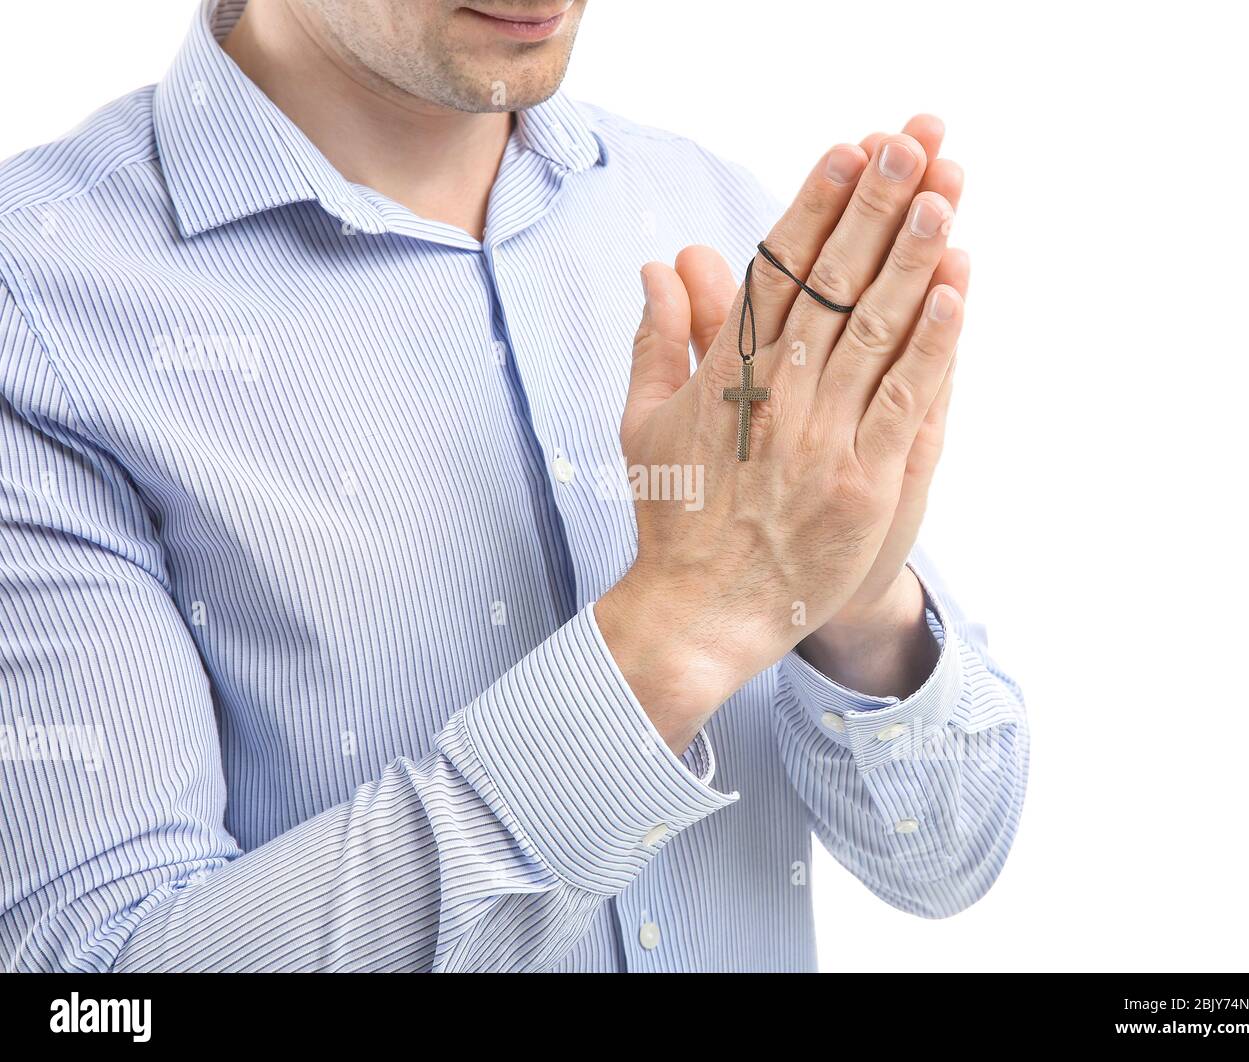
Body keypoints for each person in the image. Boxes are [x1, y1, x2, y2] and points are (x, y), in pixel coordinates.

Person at [0, 0, 1028, 972]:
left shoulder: (711, 208)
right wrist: (675, 634)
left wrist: (858, 607)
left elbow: (945, 857)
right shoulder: (41, 302)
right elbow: (98, 990)